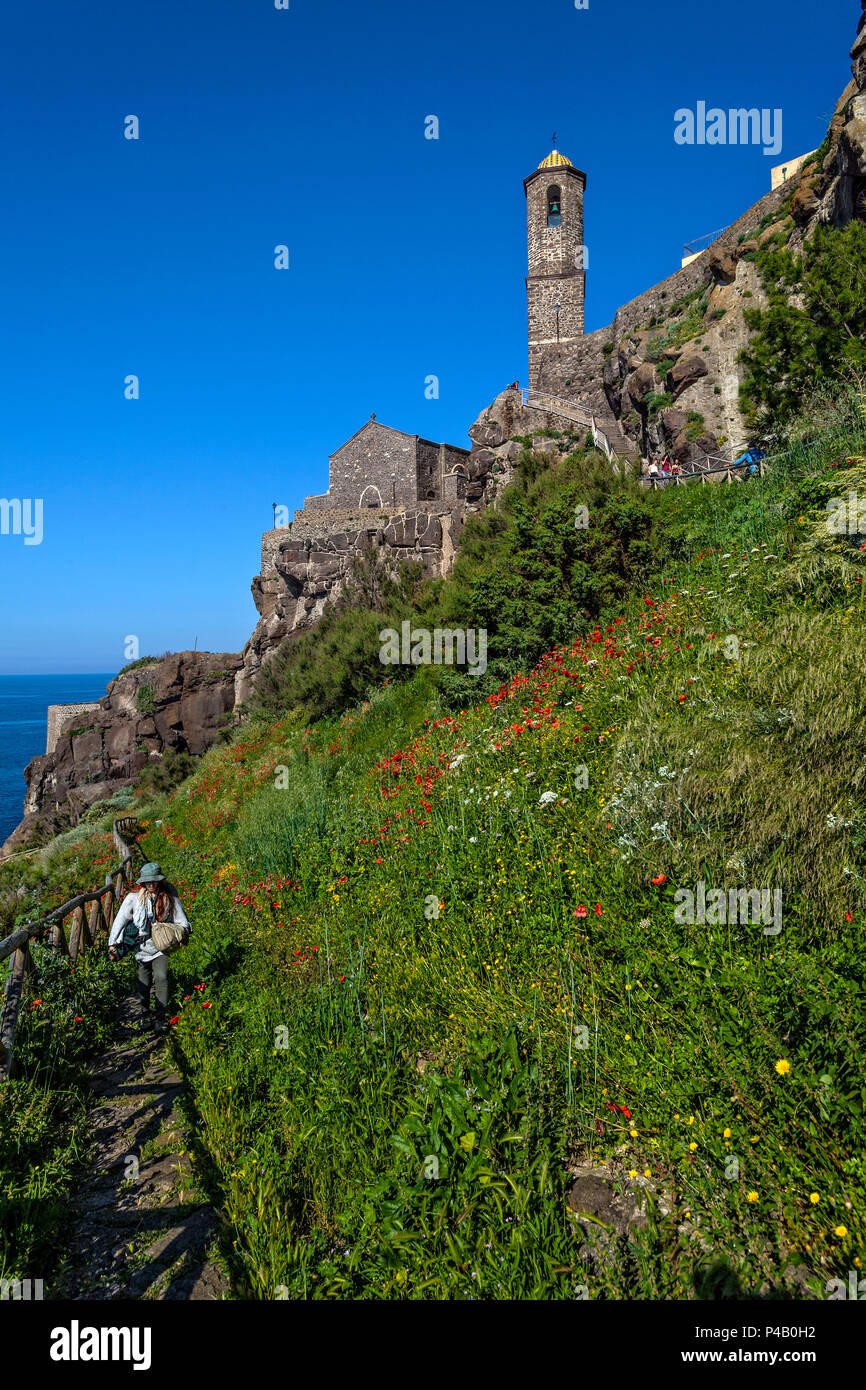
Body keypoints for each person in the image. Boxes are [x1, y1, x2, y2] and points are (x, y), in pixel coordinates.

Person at [108, 862, 191, 1034]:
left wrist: (184, 931)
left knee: (161, 977)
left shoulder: (169, 895)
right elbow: (120, 921)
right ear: (143, 883)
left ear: (159, 881)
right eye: (147, 882)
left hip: (161, 946)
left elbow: (180, 915)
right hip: (140, 948)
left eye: (153, 881)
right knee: (143, 984)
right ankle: (145, 1014)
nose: (150, 884)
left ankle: (161, 1019)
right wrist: (113, 944)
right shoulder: (133, 899)